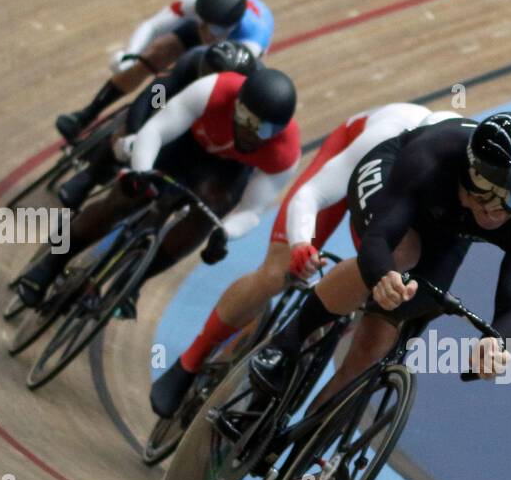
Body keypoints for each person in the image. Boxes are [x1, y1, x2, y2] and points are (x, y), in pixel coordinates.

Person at [149, 102, 461, 418]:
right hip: (352, 173)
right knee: (277, 273)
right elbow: (312, 195)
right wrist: (300, 245)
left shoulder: (461, 189)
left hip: (395, 218)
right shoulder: (384, 138)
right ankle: (190, 360)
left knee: (382, 302)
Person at [244, 112, 511, 413]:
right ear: (472, 173)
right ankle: (286, 342)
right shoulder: (433, 154)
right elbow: (378, 239)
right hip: (394, 177)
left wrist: (498, 343)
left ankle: (300, 449)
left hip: (449, 227)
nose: (498, 214)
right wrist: (382, 274)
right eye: (490, 197)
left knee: (392, 329)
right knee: (401, 256)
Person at [14, 68, 300, 316]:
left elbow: (251, 210)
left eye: (262, 130)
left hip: (224, 172)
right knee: (123, 200)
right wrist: (140, 172)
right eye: (245, 119)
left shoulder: (285, 154)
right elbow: (156, 131)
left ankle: (134, 283)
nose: (250, 131)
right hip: (183, 144)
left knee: (207, 217)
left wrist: (225, 233)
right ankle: (53, 260)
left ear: (279, 131)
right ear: (236, 102)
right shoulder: (213, 89)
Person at [55, 0, 274, 143]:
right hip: (215, 34)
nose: (206, 31)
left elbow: (216, 85)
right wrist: (129, 55)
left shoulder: (250, 42)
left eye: (214, 28)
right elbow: (153, 26)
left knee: (187, 91)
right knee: (155, 54)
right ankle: (85, 116)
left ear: (230, 26)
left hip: (229, 54)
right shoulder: (195, 0)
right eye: (203, 22)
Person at [55, 40, 258, 210]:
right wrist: (136, 131)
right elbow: (155, 93)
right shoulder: (193, 60)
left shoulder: (251, 97)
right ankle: (88, 178)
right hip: (174, 104)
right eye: (206, 75)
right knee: (143, 117)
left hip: (206, 129)